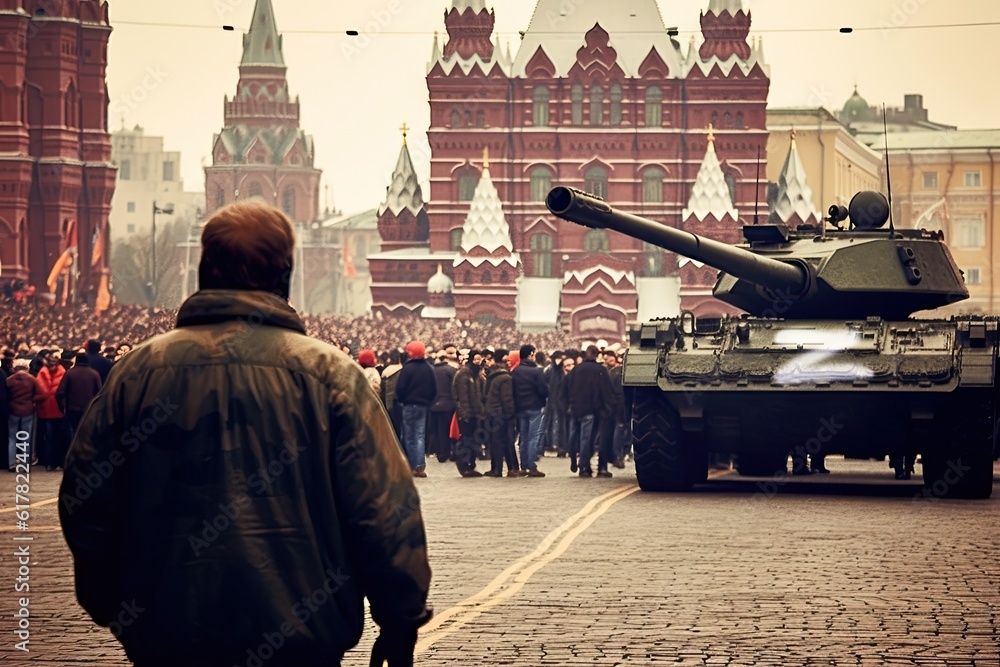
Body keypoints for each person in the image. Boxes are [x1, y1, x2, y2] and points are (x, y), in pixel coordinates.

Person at [59, 201, 431, 667]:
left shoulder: (139, 372)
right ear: (285, 275)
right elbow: (383, 509)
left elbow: (86, 500)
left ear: (202, 270)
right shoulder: (330, 374)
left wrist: (117, 607)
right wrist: (400, 619)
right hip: (303, 636)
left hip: (168, 637)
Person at [563, 345, 615, 478]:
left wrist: (569, 405)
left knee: (574, 436)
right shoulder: (600, 370)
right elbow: (607, 392)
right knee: (587, 438)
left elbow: (565, 388)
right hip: (592, 410)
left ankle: (575, 461)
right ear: (597, 355)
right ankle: (584, 465)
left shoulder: (576, 370)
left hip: (575, 409)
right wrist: (608, 409)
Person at [394, 340, 436, 477]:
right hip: (423, 406)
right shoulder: (429, 368)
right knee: (419, 435)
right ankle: (420, 466)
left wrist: (401, 400)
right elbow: (434, 389)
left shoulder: (408, 368)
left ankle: (410, 465)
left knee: (408, 435)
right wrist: (428, 402)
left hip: (408, 405)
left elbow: (400, 388)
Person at [55, 353, 103, 458]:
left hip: (72, 409)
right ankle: (85, 456)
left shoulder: (69, 373)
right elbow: (100, 394)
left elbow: (60, 393)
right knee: (86, 434)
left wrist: (62, 407)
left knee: (72, 434)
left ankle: (72, 456)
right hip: (89, 410)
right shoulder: (94, 374)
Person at [511, 344, 548, 478]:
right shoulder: (536, 371)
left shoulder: (516, 371)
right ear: (531, 354)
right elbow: (544, 390)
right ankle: (532, 466)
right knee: (533, 437)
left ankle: (524, 465)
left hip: (520, 408)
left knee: (524, 437)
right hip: (535, 407)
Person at [483, 349, 520, 477]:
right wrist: (511, 413)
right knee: (506, 441)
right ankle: (511, 467)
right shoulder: (506, 378)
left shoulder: (491, 377)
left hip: (492, 413)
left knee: (495, 441)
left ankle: (495, 468)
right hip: (502, 414)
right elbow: (507, 398)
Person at [452, 350, 485, 477]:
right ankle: (464, 465)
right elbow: (462, 396)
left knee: (474, 440)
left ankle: (471, 465)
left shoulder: (478, 375)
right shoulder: (464, 374)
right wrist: (464, 413)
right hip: (467, 413)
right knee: (466, 439)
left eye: (479, 359)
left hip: (476, 413)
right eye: (476, 359)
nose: (478, 361)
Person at [35, 350, 68, 470]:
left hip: (47, 409)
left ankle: (50, 463)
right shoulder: (62, 371)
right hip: (57, 409)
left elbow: (42, 390)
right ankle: (55, 462)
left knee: (49, 437)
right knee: (55, 437)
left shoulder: (42, 372)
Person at [6, 359, 37, 471]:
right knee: (25, 438)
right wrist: (33, 402)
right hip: (28, 410)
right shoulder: (32, 379)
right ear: (26, 367)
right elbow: (40, 393)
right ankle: (25, 464)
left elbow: (6, 394)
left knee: (12, 438)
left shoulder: (9, 380)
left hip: (13, 410)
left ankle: (11, 463)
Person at [429, 350, 457, 463]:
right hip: (448, 405)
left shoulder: (431, 371)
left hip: (433, 405)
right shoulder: (451, 370)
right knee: (446, 430)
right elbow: (454, 388)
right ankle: (447, 452)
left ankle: (440, 453)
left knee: (436, 431)